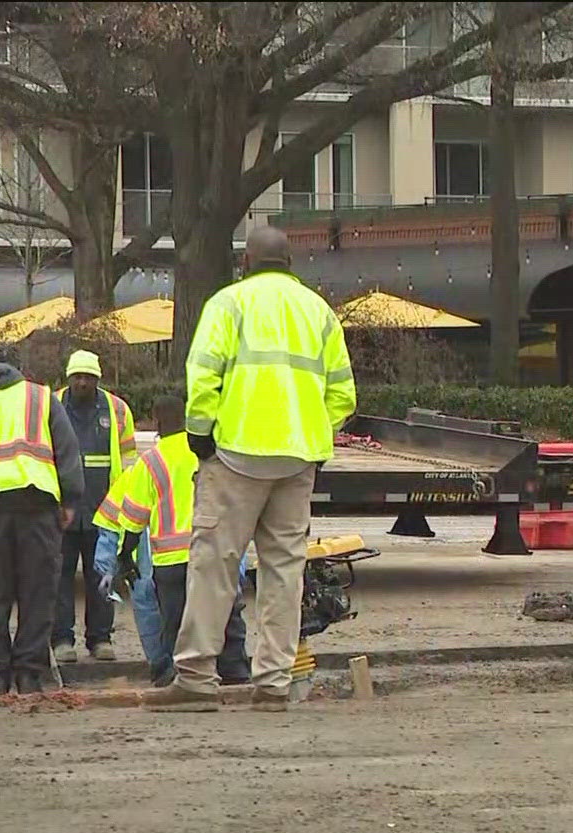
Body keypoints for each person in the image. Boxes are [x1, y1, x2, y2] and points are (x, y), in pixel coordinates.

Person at [146, 226, 355, 713]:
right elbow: (343, 393)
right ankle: (274, 683)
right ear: (289, 264)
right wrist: (314, 436)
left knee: (214, 565)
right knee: (284, 572)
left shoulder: (227, 305)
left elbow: (203, 376)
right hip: (296, 460)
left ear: (247, 263)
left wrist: (200, 433)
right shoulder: (318, 312)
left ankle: (197, 677)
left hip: (235, 455)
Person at [95, 395, 250, 687]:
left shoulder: (151, 461)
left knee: (177, 623)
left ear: (156, 423)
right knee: (226, 615)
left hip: (170, 561)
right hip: (213, 552)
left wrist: (125, 557)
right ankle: (236, 675)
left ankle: (183, 679)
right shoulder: (209, 453)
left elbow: (133, 516)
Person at [0, 356, 84, 695]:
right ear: (21, 371)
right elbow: (68, 450)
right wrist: (71, 500)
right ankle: (30, 674)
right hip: (38, 506)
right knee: (37, 593)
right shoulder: (40, 397)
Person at [52, 349, 137, 664]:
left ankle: (100, 639)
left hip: (104, 509)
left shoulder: (117, 410)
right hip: (63, 508)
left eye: (89, 377)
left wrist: (124, 501)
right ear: (69, 377)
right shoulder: (53, 405)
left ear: (98, 379)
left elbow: (129, 459)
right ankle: (62, 640)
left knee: (101, 575)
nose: (83, 383)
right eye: (77, 377)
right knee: (59, 577)